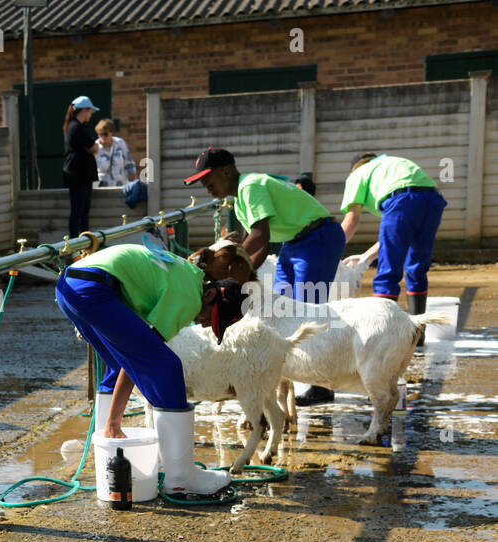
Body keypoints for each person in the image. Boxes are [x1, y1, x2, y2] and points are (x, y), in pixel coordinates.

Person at [55, 244, 240, 496]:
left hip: (70, 285)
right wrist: (113, 422)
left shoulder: (188, 277)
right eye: (211, 318)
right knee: (167, 367)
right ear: (209, 296)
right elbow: (142, 359)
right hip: (93, 288)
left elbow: (131, 360)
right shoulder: (189, 297)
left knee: (119, 362)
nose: (206, 324)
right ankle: (181, 477)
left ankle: (107, 465)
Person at [187, 146, 346, 405]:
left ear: (226, 171)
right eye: (201, 181)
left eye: (208, 178)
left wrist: (225, 265)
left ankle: (323, 386)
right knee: (282, 312)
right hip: (294, 243)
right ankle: (283, 379)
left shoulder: (250, 186)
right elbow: (255, 253)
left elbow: (260, 235)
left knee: (308, 308)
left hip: (318, 237)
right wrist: (237, 279)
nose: (205, 185)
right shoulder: (239, 202)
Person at [338, 152, 446, 317]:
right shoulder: (391, 166)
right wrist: (365, 257)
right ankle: (418, 333)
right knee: (417, 268)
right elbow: (395, 236)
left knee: (388, 272)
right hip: (432, 199)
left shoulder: (357, 175)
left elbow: (351, 222)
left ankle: (385, 331)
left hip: (402, 200)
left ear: (353, 169)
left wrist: (328, 251)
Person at [62, 96, 100, 238]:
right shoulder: (76, 127)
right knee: (79, 210)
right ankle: (76, 242)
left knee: (82, 210)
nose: (91, 115)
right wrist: (94, 147)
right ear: (85, 110)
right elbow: (93, 147)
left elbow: (91, 147)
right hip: (79, 175)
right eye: (90, 111)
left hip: (81, 174)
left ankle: (83, 240)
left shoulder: (75, 126)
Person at [95, 119, 138, 187]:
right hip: (103, 187)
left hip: (121, 185)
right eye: (100, 134)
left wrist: (133, 178)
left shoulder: (120, 143)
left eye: (105, 134)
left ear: (111, 132)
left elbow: (129, 162)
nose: (102, 137)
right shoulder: (95, 146)